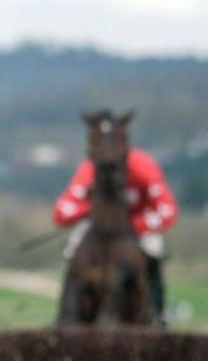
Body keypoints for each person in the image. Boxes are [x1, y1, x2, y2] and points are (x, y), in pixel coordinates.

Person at [53, 129, 178, 319]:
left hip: (138, 227)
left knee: (153, 249)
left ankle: (157, 313)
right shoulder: (90, 167)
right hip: (100, 227)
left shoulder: (143, 165)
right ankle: (65, 315)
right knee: (73, 248)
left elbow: (168, 211)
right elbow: (62, 212)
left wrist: (135, 224)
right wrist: (91, 210)